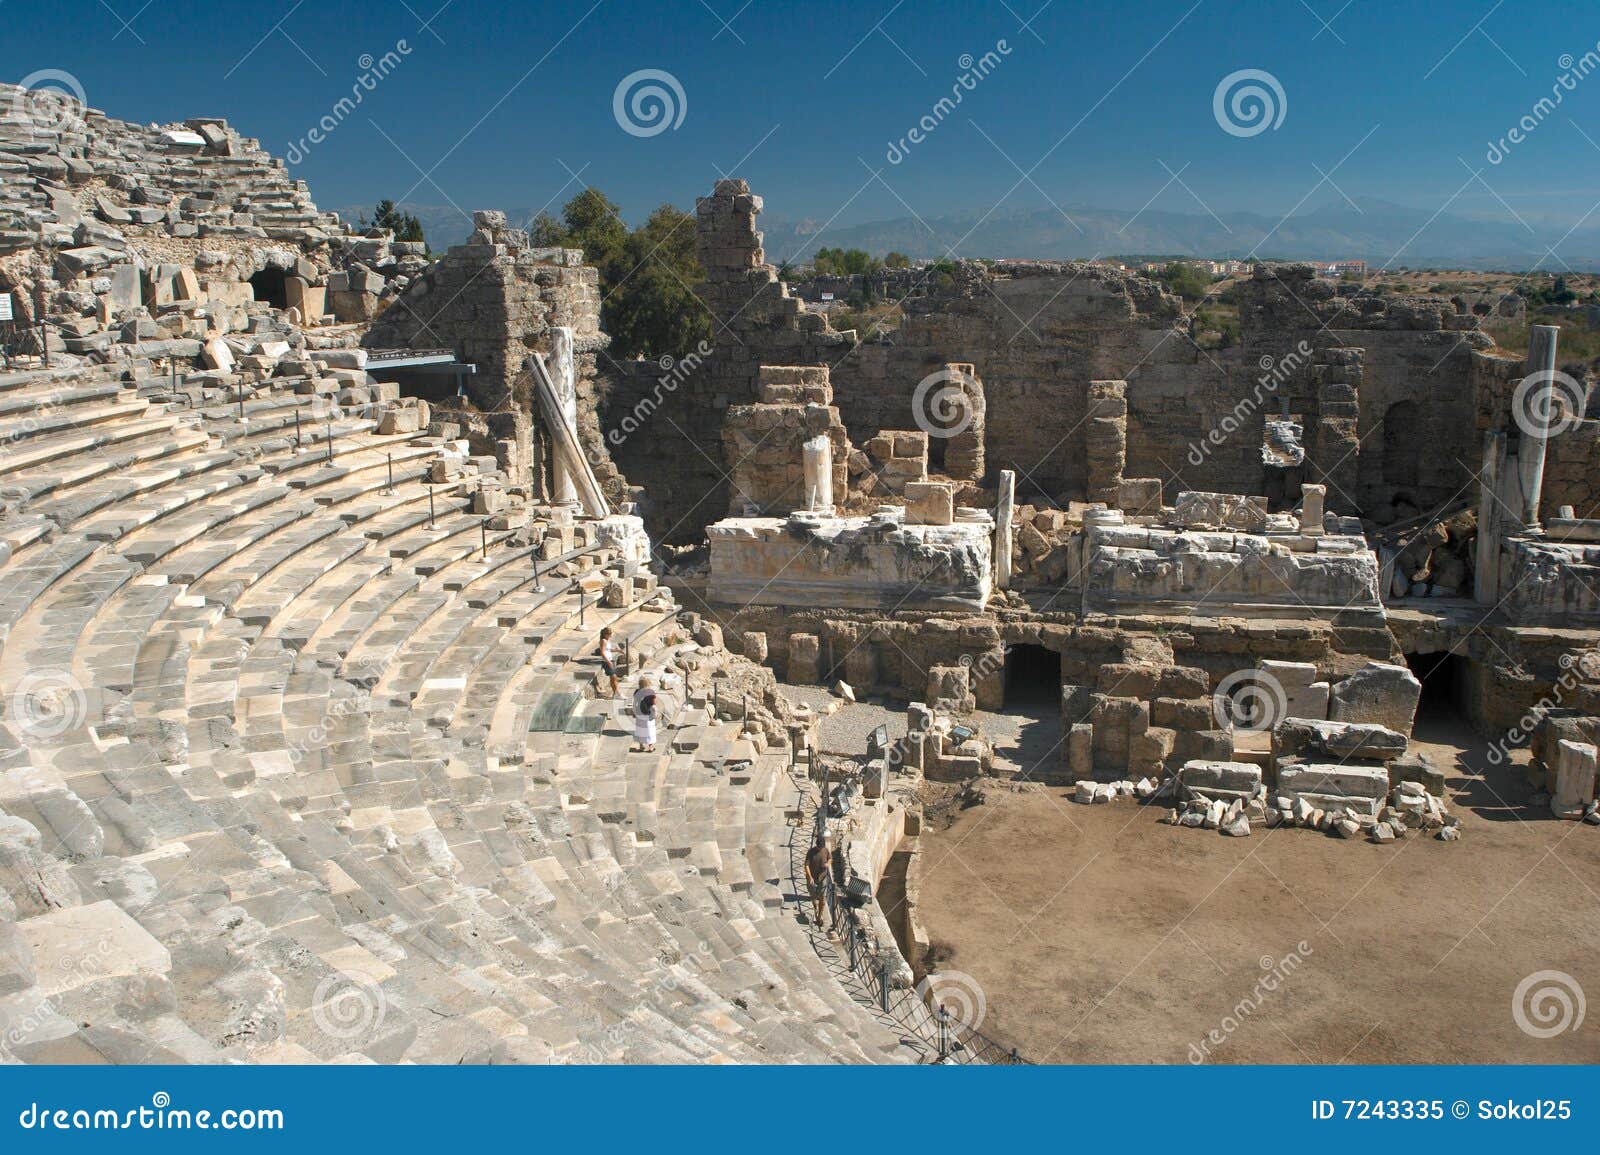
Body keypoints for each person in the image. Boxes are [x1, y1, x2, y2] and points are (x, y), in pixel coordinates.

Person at [804, 836, 834, 936]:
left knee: (823, 899)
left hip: (823, 878)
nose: (821, 849)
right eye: (819, 847)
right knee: (813, 897)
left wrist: (827, 864)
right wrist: (810, 877)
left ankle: (819, 917)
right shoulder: (811, 852)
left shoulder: (825, 850)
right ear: (816, 845)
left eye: (822, 847)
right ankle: (815, 908)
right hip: (813, 878)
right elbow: (806, 865)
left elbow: (830, 859)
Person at [633, 676, 657, 753]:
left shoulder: (637, 692)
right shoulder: (651, 692)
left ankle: (641, 746)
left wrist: (634, 712)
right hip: (648, 714)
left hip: (639, 713)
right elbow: (653, 705)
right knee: (650, 730)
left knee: (640, 729)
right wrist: (655, 712)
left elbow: (635, 703)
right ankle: (651, 746)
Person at [598, 627, 619, 699]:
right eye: (609, 634)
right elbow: (602, 652)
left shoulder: (607, 640)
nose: (611, 635)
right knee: (613, 677)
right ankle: (616, 693)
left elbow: (608, 650)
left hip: (610, 660)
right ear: (605, 634)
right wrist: (608, 661)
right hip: (606, 661)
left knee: (614, 677)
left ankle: (616, 693)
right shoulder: (603, 641)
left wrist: (616, 650)